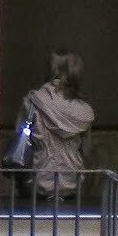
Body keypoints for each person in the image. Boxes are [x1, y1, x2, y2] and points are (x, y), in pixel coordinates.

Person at [18, 49, 95, 198]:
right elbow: (86, 150)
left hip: (37, 178)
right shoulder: (84, 111)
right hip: (74, 179)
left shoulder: (33, 101)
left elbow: (19, 138)